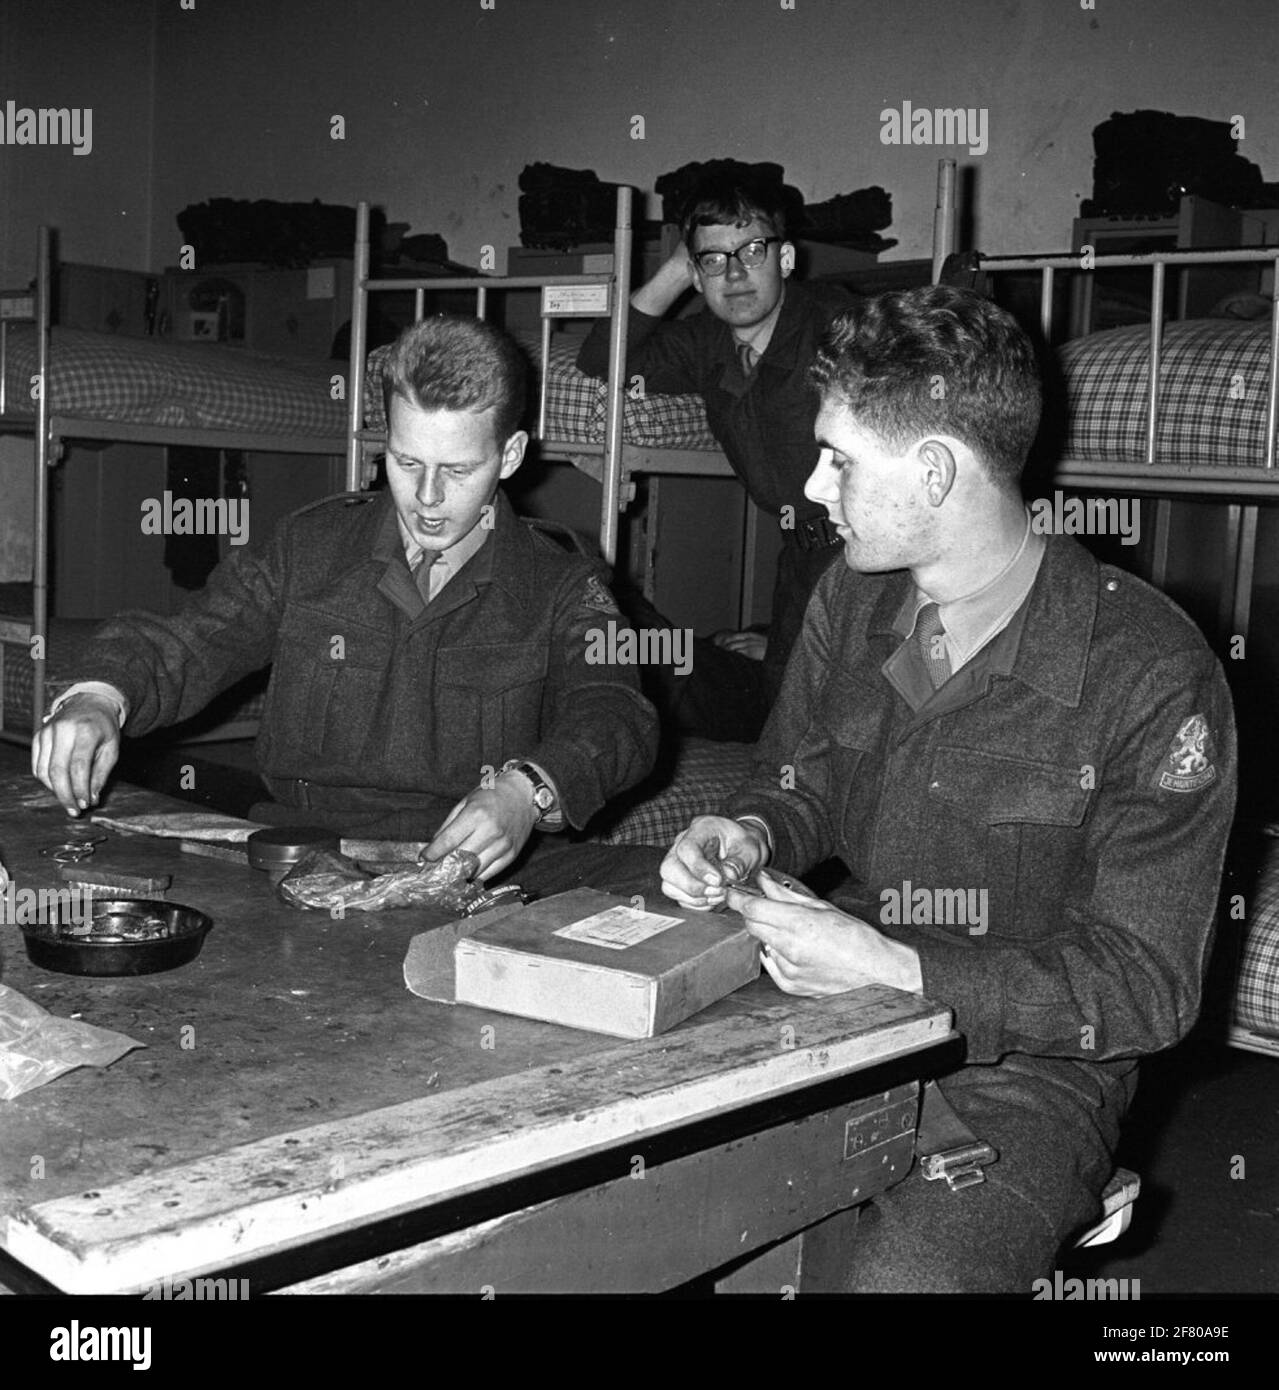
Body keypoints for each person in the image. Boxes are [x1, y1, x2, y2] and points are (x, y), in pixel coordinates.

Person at [660, 286, 1236, 1291]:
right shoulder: (852, 595)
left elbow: (1145, 985)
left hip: (1023, 1078)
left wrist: (899, 967)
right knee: (628, 1200)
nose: (810, 485)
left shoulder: (1146, 668)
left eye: (838, 460)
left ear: (933, 472)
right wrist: (748, 831)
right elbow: (799, 780)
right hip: (830, 1008)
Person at [32, 314, 659, 880]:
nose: (429, 498)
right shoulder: (310, 548)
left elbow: (616, 713)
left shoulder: (562, 585)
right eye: (406, 463)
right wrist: (99, 698)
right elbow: (192, 638)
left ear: (511, 456)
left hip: (484, 871)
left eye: (459, 471)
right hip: (306, 855)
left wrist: (528, 792)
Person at [576, 166, 857, 738]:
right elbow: (599, 359)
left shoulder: (835, 321)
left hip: (869, 550)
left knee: (832, 722)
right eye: (713, 260)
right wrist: (678, 269)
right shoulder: (706, 341)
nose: (734, 274)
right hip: (802, 559)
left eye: (751, 251)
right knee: (782, 722)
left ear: (785, 258)